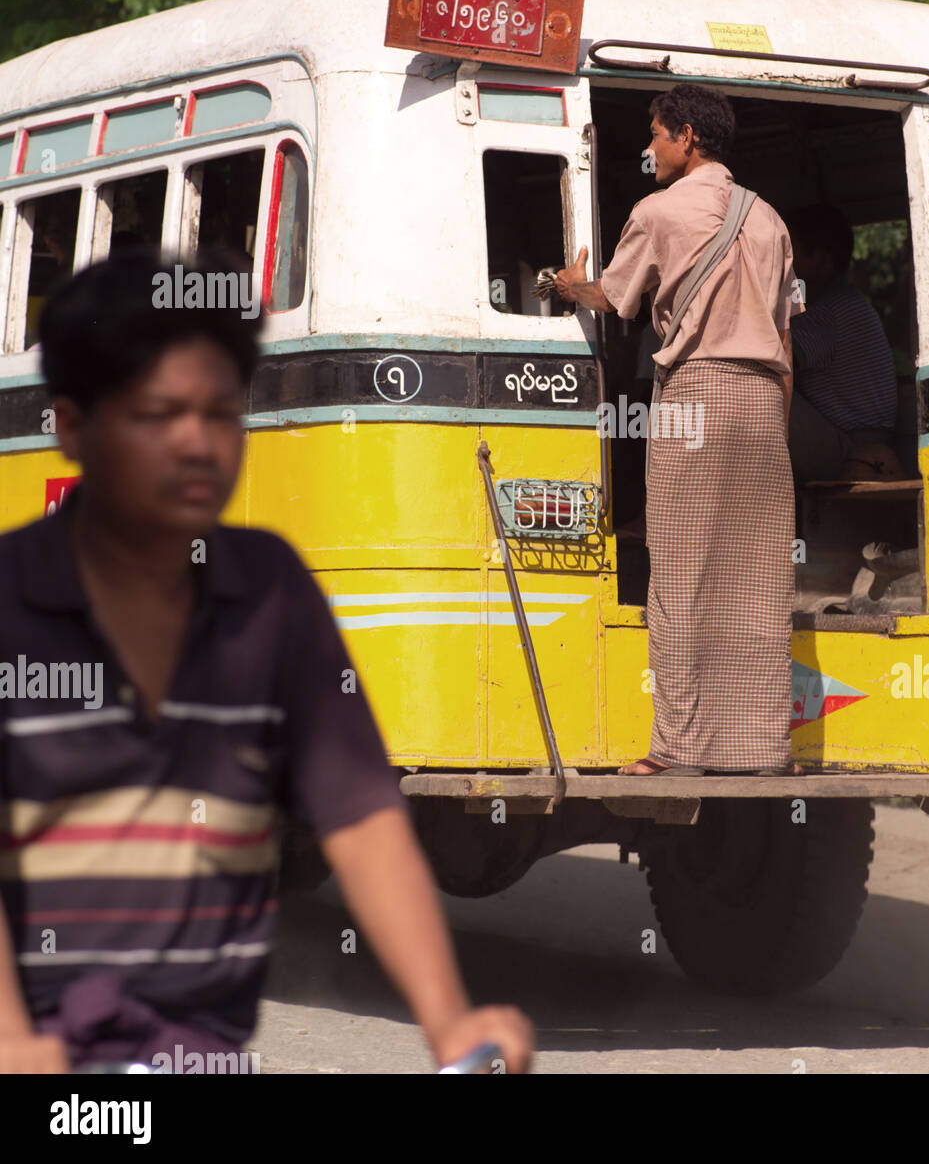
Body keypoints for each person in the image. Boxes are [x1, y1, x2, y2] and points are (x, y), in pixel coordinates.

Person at [0, 250, 533, 1074]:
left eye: (220, 413)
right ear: (71, 428)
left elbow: (359, 819)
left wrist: (448, 1019)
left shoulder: (270, 592)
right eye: (157, 414)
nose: (197, 444)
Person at [553, 83, 805, 777]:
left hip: (696, 394)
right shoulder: (771, 220)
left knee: (683, 574)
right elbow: (787, 338)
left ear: (686, 136)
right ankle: (761, 750)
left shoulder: (658, 211)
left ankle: (679, 749)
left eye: (656, 135)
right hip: (761, 403)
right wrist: (775, 430)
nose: (648, 148)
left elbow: (617, 298)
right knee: (757, 581)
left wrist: (570, 283)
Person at [786, 204, 898, 484]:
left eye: (789, 252)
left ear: (821, 260)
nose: (781, 262)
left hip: (851, 446)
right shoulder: (844, 301)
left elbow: (775, 358)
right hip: (846, 437)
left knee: (755, 385)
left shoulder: (829, 311)